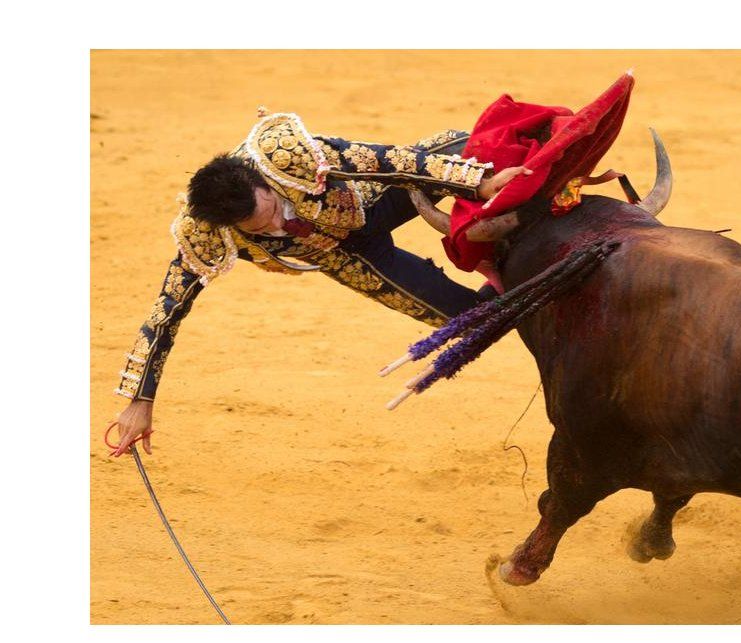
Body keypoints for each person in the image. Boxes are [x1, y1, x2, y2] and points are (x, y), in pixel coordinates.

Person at [109, 110, 528, 457]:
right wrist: (140, 400)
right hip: (347, 256)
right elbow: (165, 314)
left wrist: (477, 183)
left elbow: (388, 161)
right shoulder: (204, 233)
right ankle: (506, 273)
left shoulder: (285, 153)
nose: (279, 224)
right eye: (261, 228)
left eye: (272, 210)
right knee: (471, 320)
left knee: (475, 152)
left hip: (372, 197)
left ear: (261, 181)